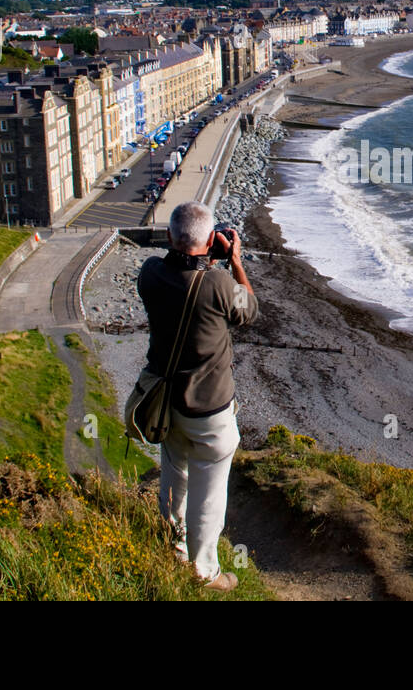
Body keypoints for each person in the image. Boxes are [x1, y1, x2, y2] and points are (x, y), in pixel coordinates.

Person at [137, 201, 258, 592]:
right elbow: (248, 310)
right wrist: (233, 261)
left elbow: (174, 266)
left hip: (166, 401)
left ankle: (171, 547)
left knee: (174, 472)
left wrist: (201, 253)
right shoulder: (219, 285)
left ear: (170, 237)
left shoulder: (150, 275)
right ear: (210, 240)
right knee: (209, 491)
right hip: (210, 409)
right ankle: (203, 571)